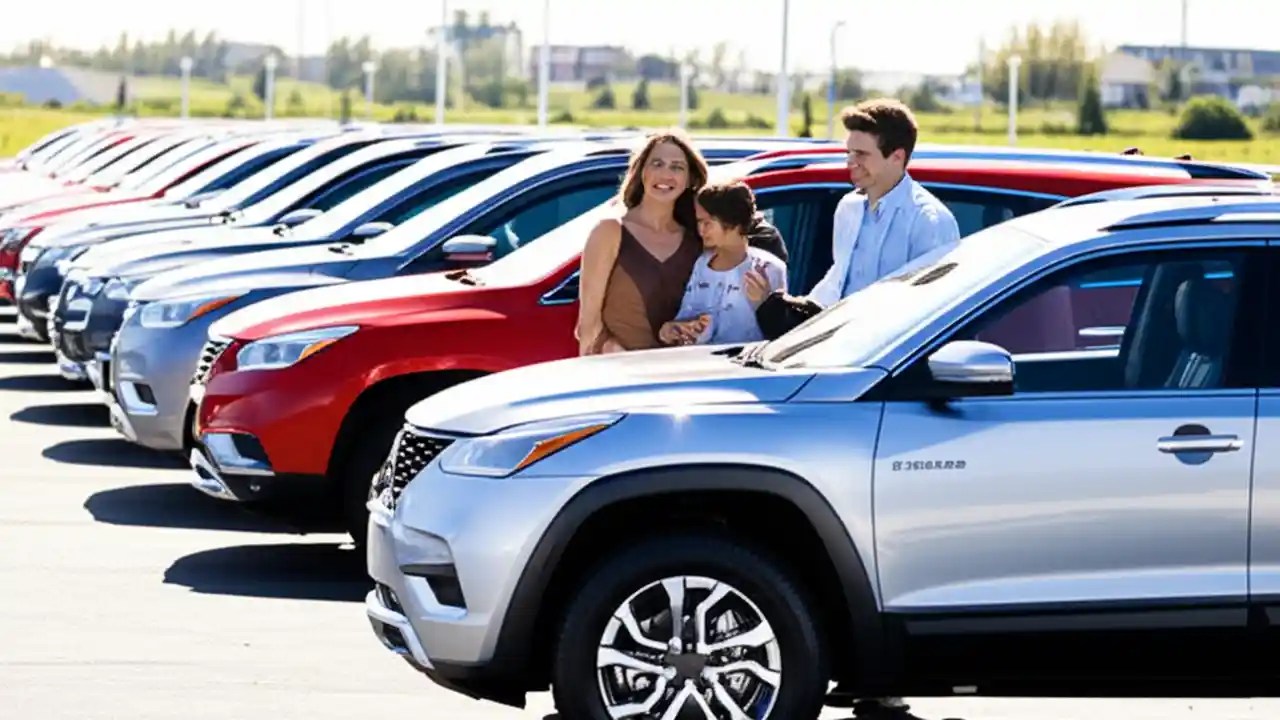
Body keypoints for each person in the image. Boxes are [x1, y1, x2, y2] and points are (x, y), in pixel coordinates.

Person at [746, 98, 960, 339]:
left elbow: (933, 312)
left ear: (897, 157)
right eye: (848, 152)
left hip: (892, 353)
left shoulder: (930, 221)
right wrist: (780, 308)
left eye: (861, 154)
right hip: (841, 348)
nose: (850, 161)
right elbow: (835, 288)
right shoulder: (848, 208)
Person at [576, 130, 789, 355]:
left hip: (685, 369)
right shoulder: (610, 231)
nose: (665, 174)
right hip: (623, 367)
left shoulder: (698, 238)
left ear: (690, 179)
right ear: (641, 172)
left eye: (677, 167)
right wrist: (610, 353)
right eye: (657, 164)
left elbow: (743, 247)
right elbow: (588, 327)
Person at [658, 181, 788, 346]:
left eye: (708, 223)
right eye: (699, 222)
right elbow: (685, 317)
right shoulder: (701, 264)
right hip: (698, 358)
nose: (701, 230)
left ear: (734, 223)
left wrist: (765, 304)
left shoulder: (768, 268)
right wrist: (672, 329)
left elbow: (780, 334)